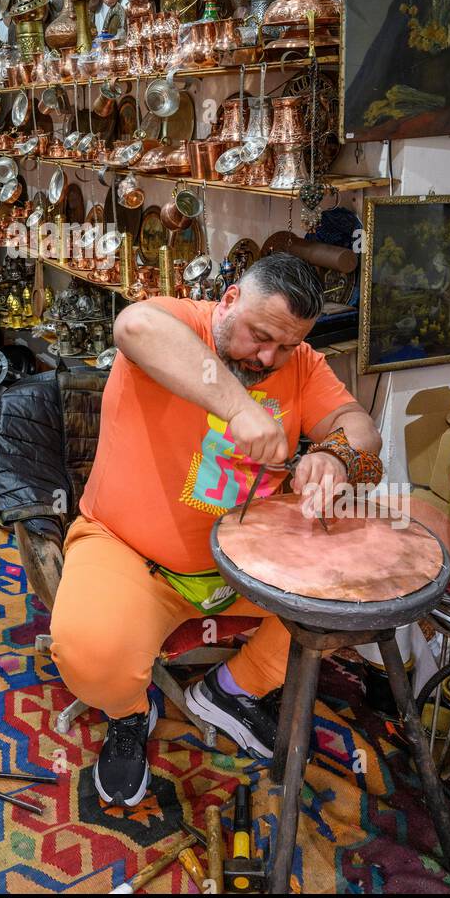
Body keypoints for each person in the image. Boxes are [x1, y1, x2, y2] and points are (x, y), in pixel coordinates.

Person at [49, 253, 382, 807]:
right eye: (259, 335)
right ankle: (132, 711)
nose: (269, 356)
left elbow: (360, 427)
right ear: (228, 300)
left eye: (287, 344)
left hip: (251, 565)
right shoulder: (177, 323)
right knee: (89, 657)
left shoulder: (297, 363)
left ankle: (233, 690)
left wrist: (336, 457)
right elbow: (133, 326)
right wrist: (240, 409)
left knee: (358, 591)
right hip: (134, 555)